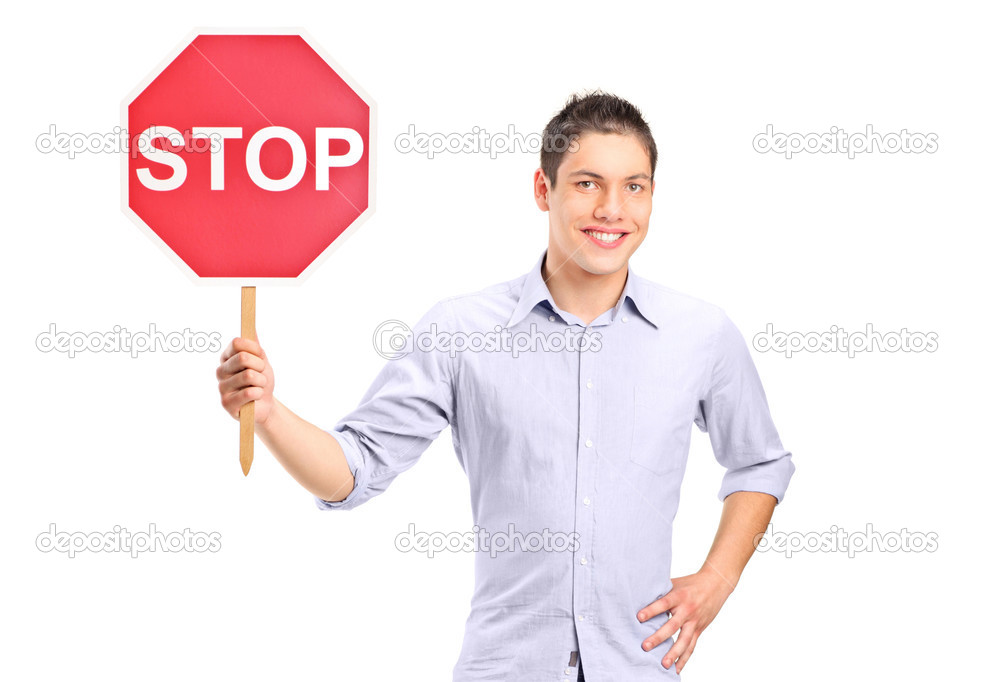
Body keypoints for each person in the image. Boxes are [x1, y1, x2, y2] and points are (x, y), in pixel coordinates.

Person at [216, 91, 795, 681]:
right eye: (588, 184)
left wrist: (717, 581)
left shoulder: (700, 334)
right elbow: (353, 470)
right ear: (544, 191)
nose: (613, 209)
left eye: (635, 186)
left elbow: (761, 463)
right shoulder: (460, 332)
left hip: (640, 666)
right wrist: (266, 412)